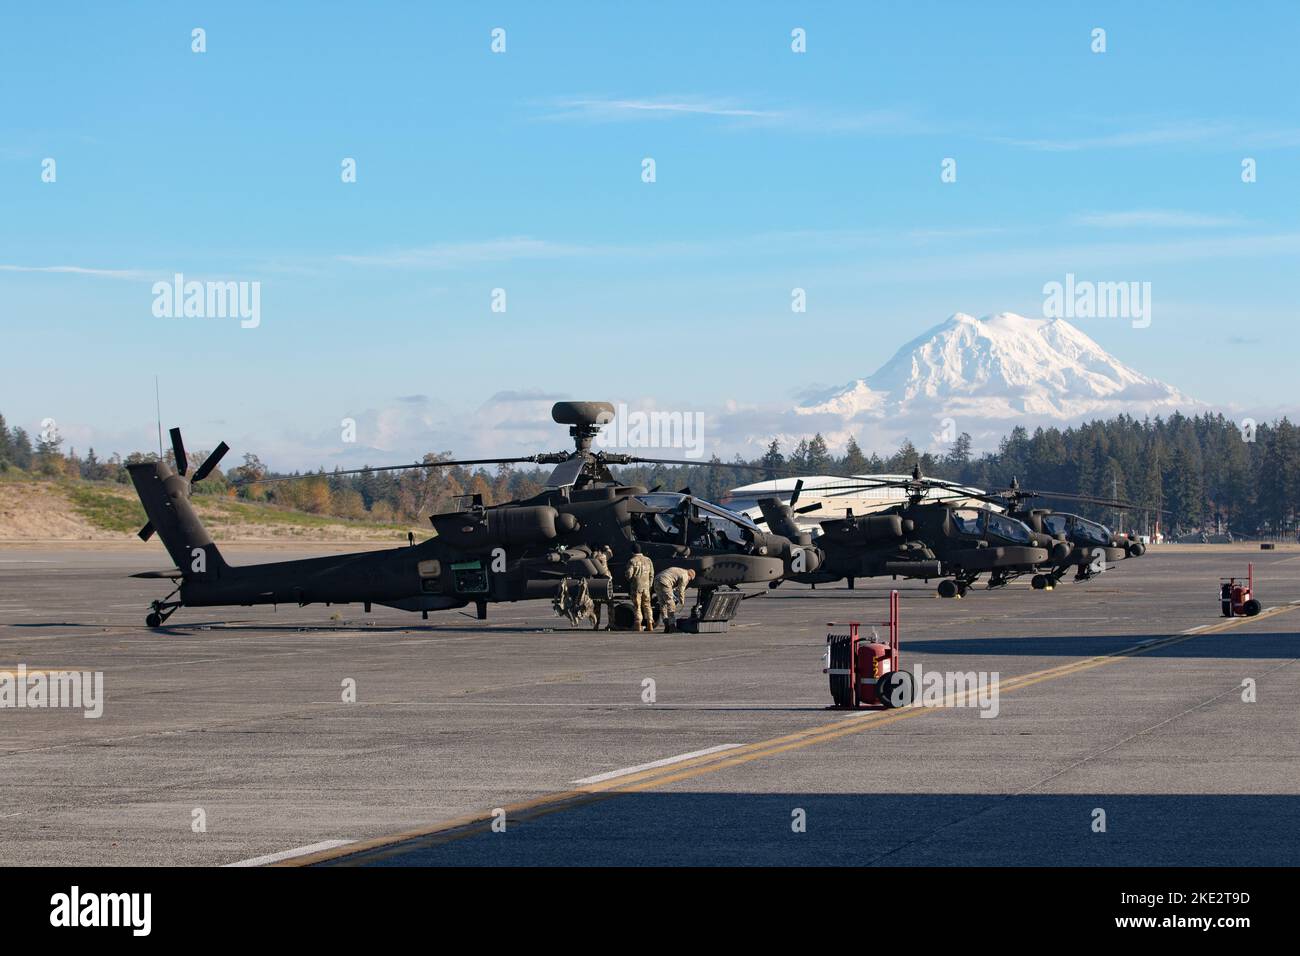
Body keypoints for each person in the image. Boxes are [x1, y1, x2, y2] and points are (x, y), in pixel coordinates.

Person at [652, 566, 695, 632]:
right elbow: (681, 590)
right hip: (665, 582)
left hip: (657, 581)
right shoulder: (685, 575)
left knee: (662, 604)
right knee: (671, 604)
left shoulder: (680, 570)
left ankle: (666, 625)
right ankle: (672, 627)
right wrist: (682, 601)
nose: (689, 581)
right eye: (690, 579)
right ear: (690, 575)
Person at [625, 550, 655, 632]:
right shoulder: (648, 560)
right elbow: (652, 574)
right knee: (647, 605)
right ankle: (650, 623)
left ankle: (638, 624)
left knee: (637, 606)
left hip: (636, 587)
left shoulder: (632, 561)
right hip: (646, 587)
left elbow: (629, 574)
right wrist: (650, 585)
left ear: (632, 552)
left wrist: (628, 578)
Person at [589, 545, 614, 630]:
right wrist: (606, 547)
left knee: (597, 605)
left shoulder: (591, 557)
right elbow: (610, 553)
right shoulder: (602, 556)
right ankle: (610, 624)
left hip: (597, 582)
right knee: (610, 604)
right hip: (606, 580)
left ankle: (596, 625)